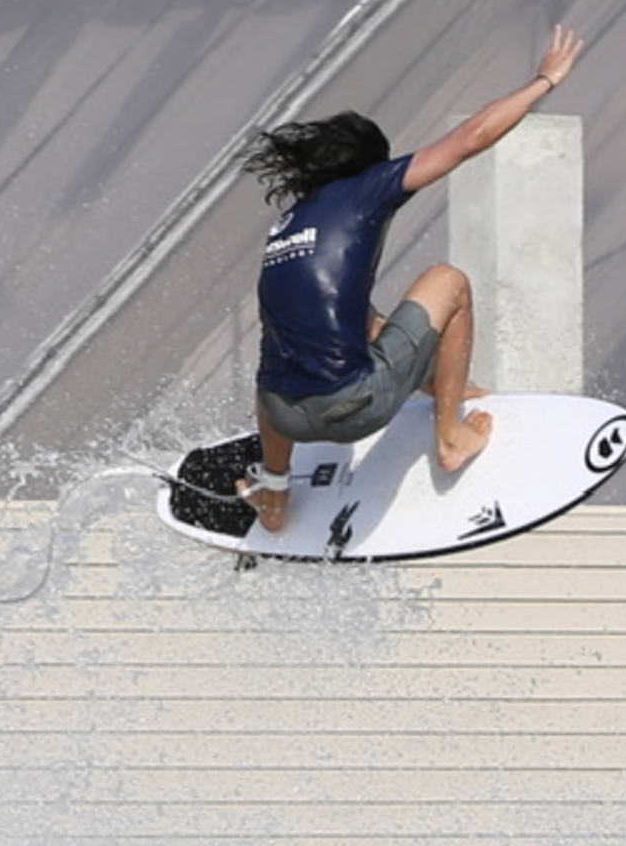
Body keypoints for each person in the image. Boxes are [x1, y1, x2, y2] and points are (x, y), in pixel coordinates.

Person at [240, 27, 583, 533]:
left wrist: (447, 381)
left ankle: (273, 495)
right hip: (352, 410)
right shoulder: (365, 190)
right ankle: (451, 437)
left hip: (283, 418)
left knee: (298, 329)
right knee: (449, 281)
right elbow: (471, 138)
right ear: (369, 167)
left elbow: (365, 327)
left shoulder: (287, 227)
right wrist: (544, 81)